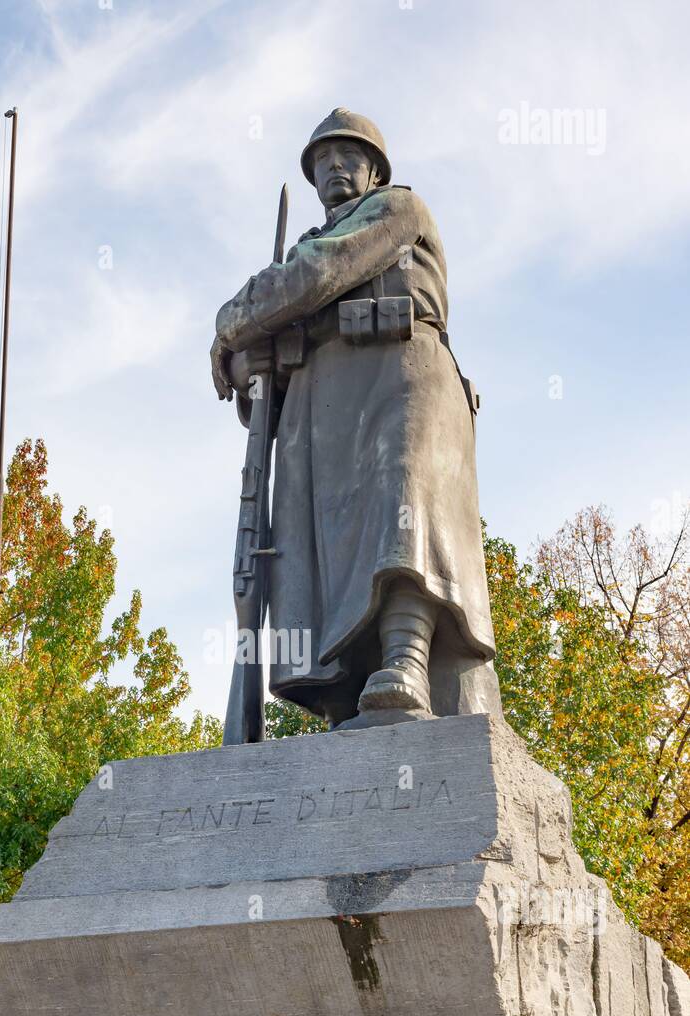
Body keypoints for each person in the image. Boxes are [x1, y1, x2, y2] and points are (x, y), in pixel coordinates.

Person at [211, 108, 501, 729]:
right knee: (315, 549)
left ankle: (407, 660)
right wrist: (243, 362)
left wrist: (230, 323)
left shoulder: (397, 211)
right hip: (319, 417)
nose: (335, 168)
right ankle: (345, 692)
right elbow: (259, 368)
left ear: (375, 170)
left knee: (400, 510)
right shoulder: (297, 259)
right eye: (323, 161)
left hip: (401, 378)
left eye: (349, 156)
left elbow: (317, 277)